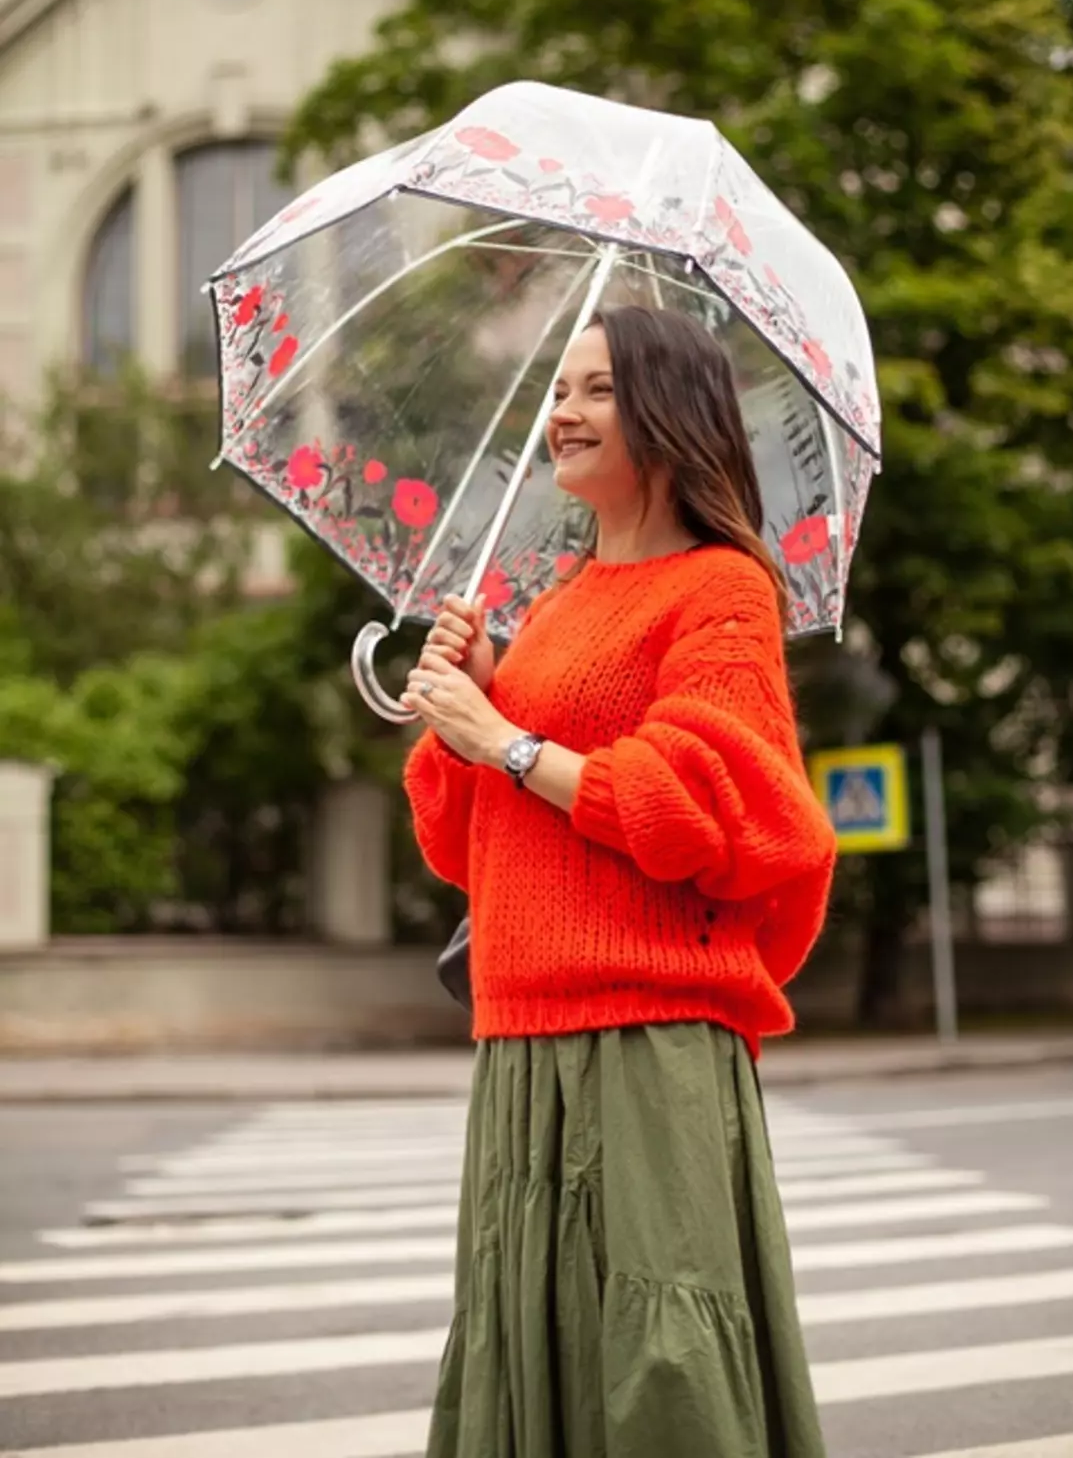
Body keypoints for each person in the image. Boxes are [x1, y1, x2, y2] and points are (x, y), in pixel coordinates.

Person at [401, 303, 837, 1458]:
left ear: (668, 412)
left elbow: (693, 804)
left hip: (650, 1037)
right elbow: (466, 848)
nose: (564, 411)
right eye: (559, 389)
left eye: (597, 389)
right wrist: (462, 712)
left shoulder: (724, 593)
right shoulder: (548, 608)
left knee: (660, 1359)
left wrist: (503, 737)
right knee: (526, 1345)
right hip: (522, 1034)